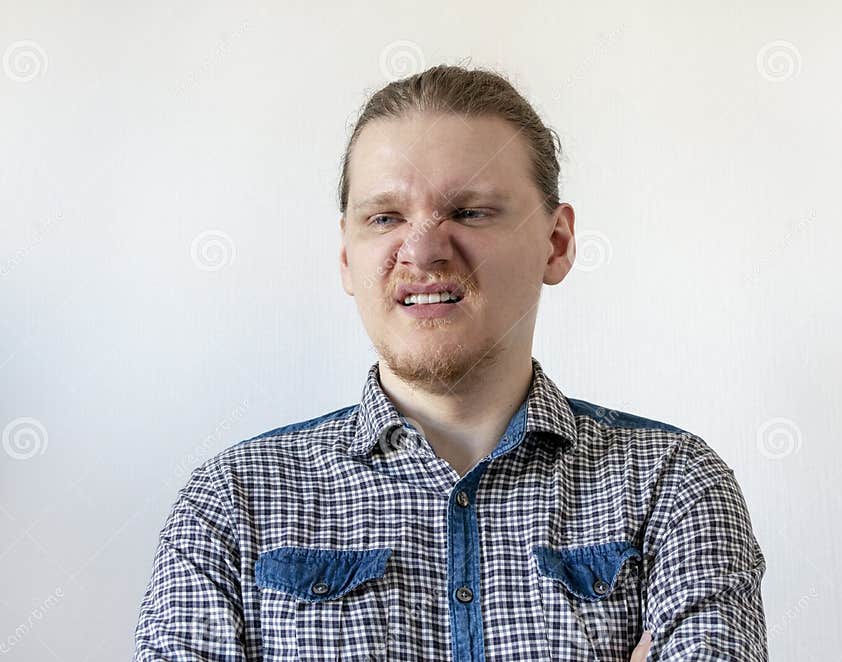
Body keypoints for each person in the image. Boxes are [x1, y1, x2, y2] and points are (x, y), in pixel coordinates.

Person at [132, 63, 768, 661]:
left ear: (556, 243)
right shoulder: (231, 505)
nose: (422, 250)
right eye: (385, 216)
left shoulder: (674, 487)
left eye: (469, 212)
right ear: (347, 257)